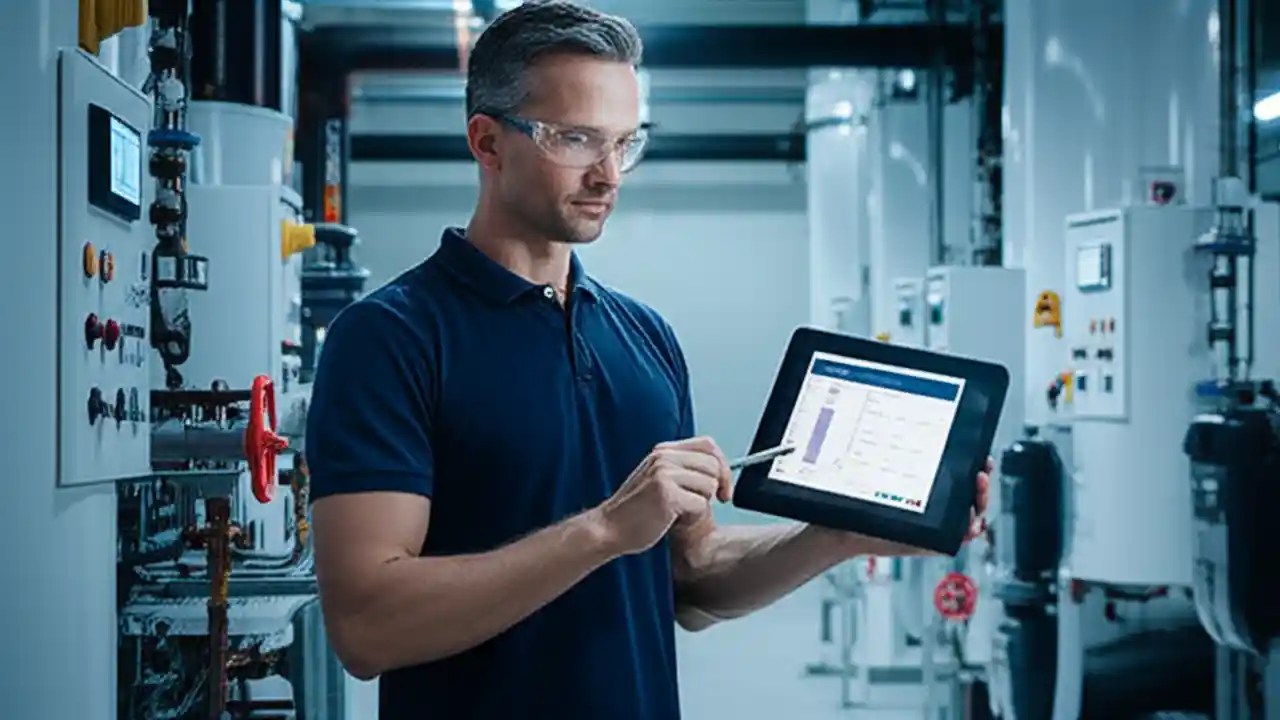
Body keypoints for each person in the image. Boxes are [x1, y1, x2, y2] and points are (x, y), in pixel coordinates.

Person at [304, 2, 991, 718]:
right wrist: (602, 531)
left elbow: (692, 580)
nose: (608, 175)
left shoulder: (645, 337)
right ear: (487, 141)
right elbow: (367, 626)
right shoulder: (388, 337)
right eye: (576, 139)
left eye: (624, 143)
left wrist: (842, 536)